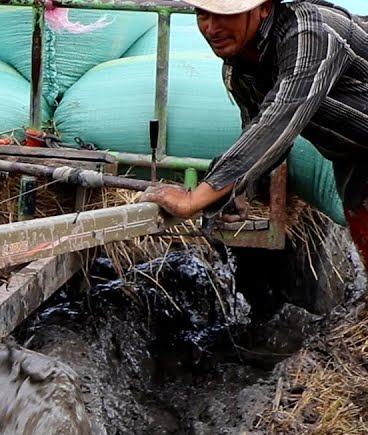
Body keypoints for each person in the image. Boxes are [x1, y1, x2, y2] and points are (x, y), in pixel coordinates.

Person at [139, 0, 368, 265]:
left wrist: (195, 198)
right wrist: (238, 190)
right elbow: (255, 130)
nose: (212, 28)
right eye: (203, 15)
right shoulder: (240, 69)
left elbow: (282, 117)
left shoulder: (310, 32)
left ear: (265, 8)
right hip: (356, 164)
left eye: (225, 16)